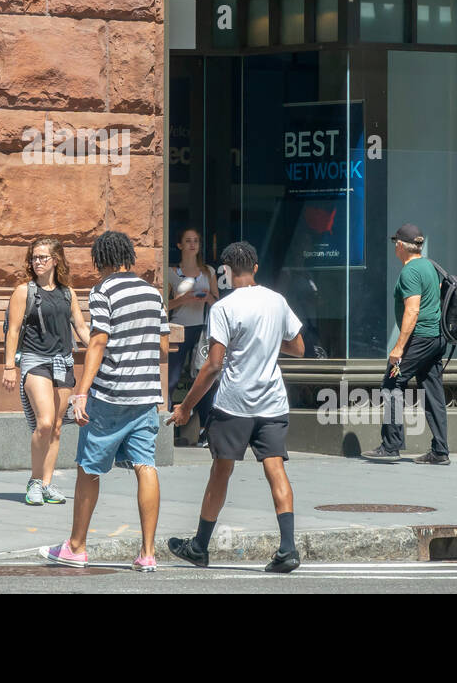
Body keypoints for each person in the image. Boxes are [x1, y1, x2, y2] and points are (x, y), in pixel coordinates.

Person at [166, 240, 306, 573]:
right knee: (276, 469)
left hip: (234, 404)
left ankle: (199, 546)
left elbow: (213, 365)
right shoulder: (277, 301)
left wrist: (186, 407)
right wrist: (268, 342)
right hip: (272, 402)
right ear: (255, 268)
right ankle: (287, 548)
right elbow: (299, 347)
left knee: (221, 471)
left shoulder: (224, 308)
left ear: (226, 271)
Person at [40, 231, 169, 572]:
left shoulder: (103, 290)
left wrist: (81, 391)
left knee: (89, 469)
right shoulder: (152, 292)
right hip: (146, 395)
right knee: (146, 466)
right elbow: (164, 347)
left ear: (101, 260)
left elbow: (98, 341)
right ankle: (147, 553)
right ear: (128, 255)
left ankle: (77, 547)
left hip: (110, 394)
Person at [2, 237, 91, 506]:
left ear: (55, 260)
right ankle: (34, 480)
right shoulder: (23, 292)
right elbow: (14, 330)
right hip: (34, 360)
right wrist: (9, 366)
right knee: (44, 422)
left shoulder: (68, 293)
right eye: (34, 257)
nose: (37, 262)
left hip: (63, 362)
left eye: (42, 257)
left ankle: (47, 484)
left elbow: (81, 327)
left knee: (56, 428)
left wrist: (100, 348)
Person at [365, 223, 450, 464]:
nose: (395, 248)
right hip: (436, 338)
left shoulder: (410, 271)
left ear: (400, 246)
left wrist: (399, 347)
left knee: (392, 381)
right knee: (433, 391)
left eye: (396, 244)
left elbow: (412, 311)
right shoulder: (430, 266)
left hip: (419, 339)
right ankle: (440, 450)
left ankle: (391, 446)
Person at [165, 226, 219, 445]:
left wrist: (207, 298)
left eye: (196, 240)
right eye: (188, 241)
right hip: (178, 328)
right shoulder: (170, 272)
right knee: (171, 378)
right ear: (179, 245)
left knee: (205, 378)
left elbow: (219, 303)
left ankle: (206, 430)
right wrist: (183, 299)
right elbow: (163, 306)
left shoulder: (209, 272)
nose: (192, 245)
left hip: (203, 329)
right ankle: (166, 427)